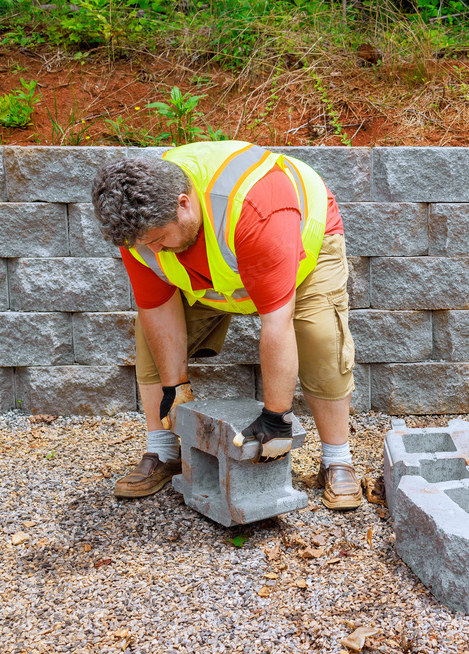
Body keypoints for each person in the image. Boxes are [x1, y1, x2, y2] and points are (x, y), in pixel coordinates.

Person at [91, 141, 361, 510]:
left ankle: (336, 459)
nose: (152, 252)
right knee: (149, 346)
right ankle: (163, 451)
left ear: (183, 203)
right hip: (213, 272)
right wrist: (174, 388)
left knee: (320, 338)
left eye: (157, 240)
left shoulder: (254, 207)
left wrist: (276, 417)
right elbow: (158, 309)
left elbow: (276, 321)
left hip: (299, 250)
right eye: (144, 245)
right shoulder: (139, 228)